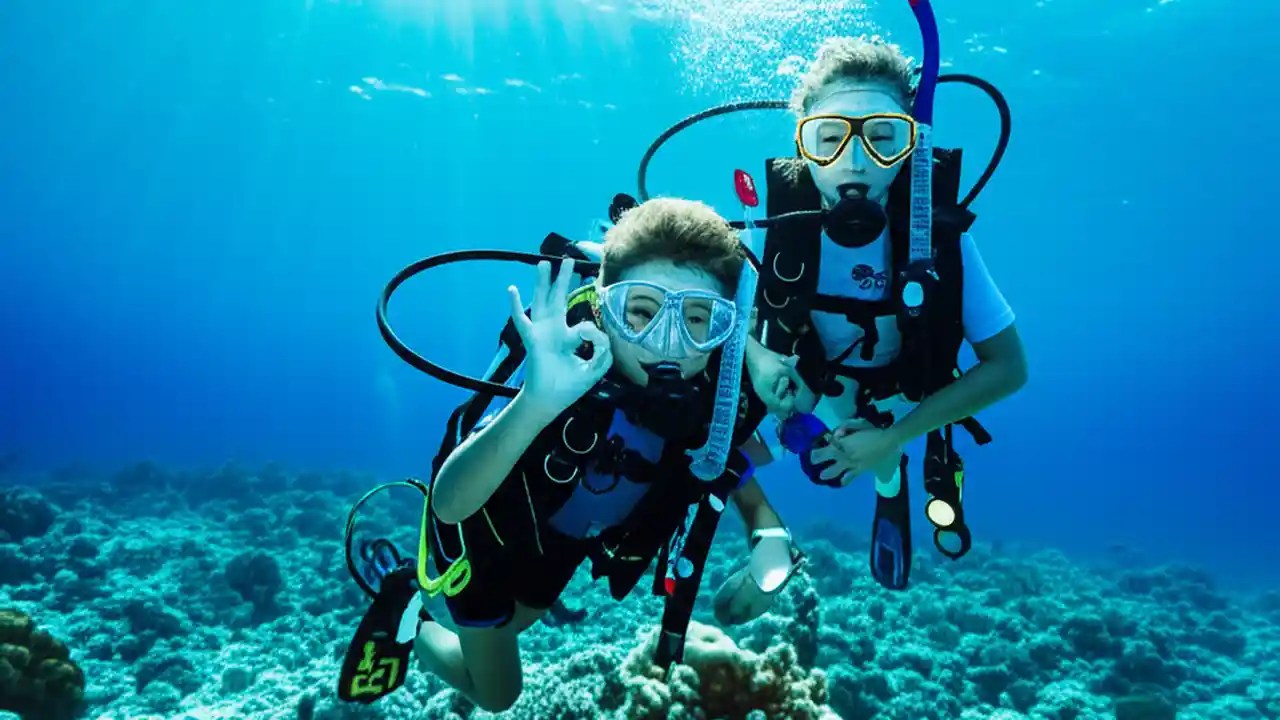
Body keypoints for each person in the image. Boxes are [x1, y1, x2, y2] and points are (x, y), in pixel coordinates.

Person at [337, 198, 803, 712]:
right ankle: (411, 610)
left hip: (562, 543)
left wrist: (772, 540)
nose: (669, 343)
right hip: (484, 541)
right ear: (605, 306)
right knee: (498, 694)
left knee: (525, 617)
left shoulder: (710, 399)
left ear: (727, 330)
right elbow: (449, 503)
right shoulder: (564, 372)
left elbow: (738, 480)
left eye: (698, 319)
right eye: (642, 311)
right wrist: (534, 405)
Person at [740, 35, 1028, 590]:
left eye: (882, 138)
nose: (853, 161)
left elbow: (1010, 368)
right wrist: (756, 359)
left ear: (910, 146)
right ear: (804, 150)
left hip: (910, 394)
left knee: (876, 448)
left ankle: (889, 477)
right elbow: (728, 322)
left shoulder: (940, 245)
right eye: (828, 138)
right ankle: (857, 480)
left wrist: (895, 437)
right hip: (817, 385)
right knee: (728, 452)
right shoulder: (777, 237)